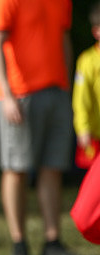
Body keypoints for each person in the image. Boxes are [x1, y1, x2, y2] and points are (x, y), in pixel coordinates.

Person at [0, 0, 93, 255]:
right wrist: (7, 94)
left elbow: (63, 38)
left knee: (52, 167)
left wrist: (66, 85)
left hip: (56, 89)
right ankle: (19, 244)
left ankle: (52, 242)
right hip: (18, 94)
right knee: (16, 168)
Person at [73, 2, 100, 170]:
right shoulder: (87, 61)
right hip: (95, 135)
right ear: (96, 31)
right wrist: (83, 128)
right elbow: (81, 100)